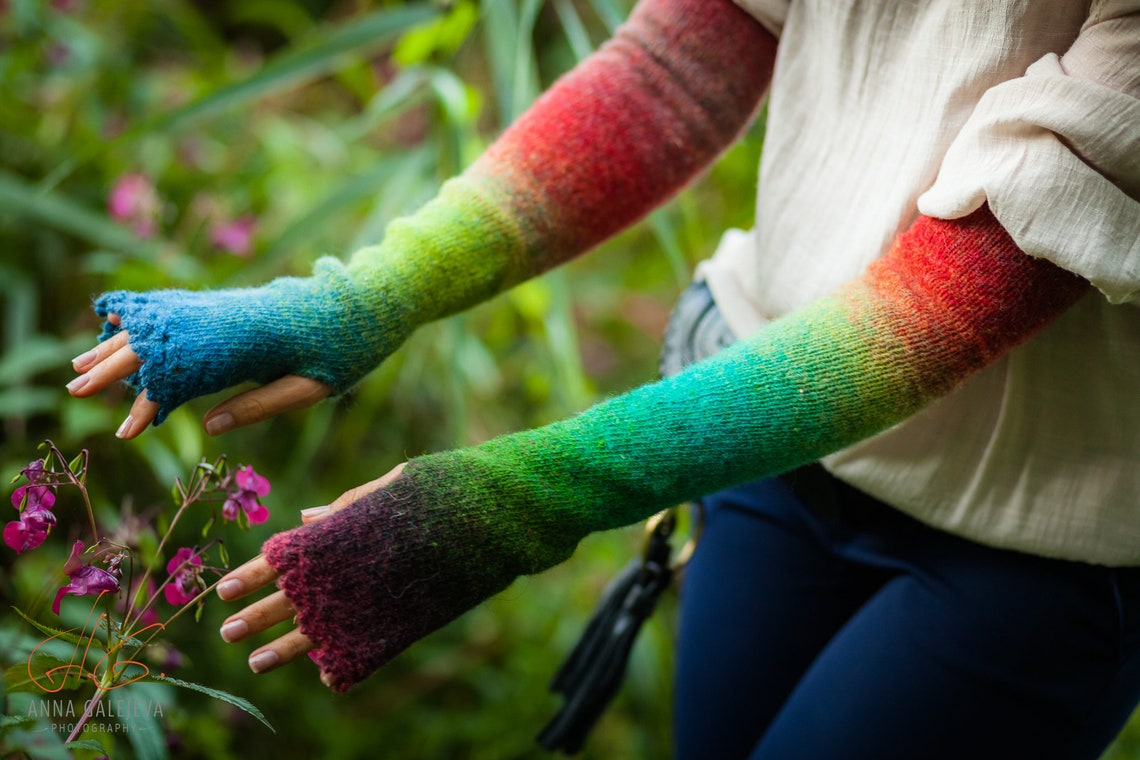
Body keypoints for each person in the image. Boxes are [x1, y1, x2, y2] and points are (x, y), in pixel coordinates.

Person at [68, 0, 1140, 756]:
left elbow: (958, 294)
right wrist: (363, 296)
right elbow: (681, 61)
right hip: (774, 442)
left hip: (1042, 542)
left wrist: (513, 502)